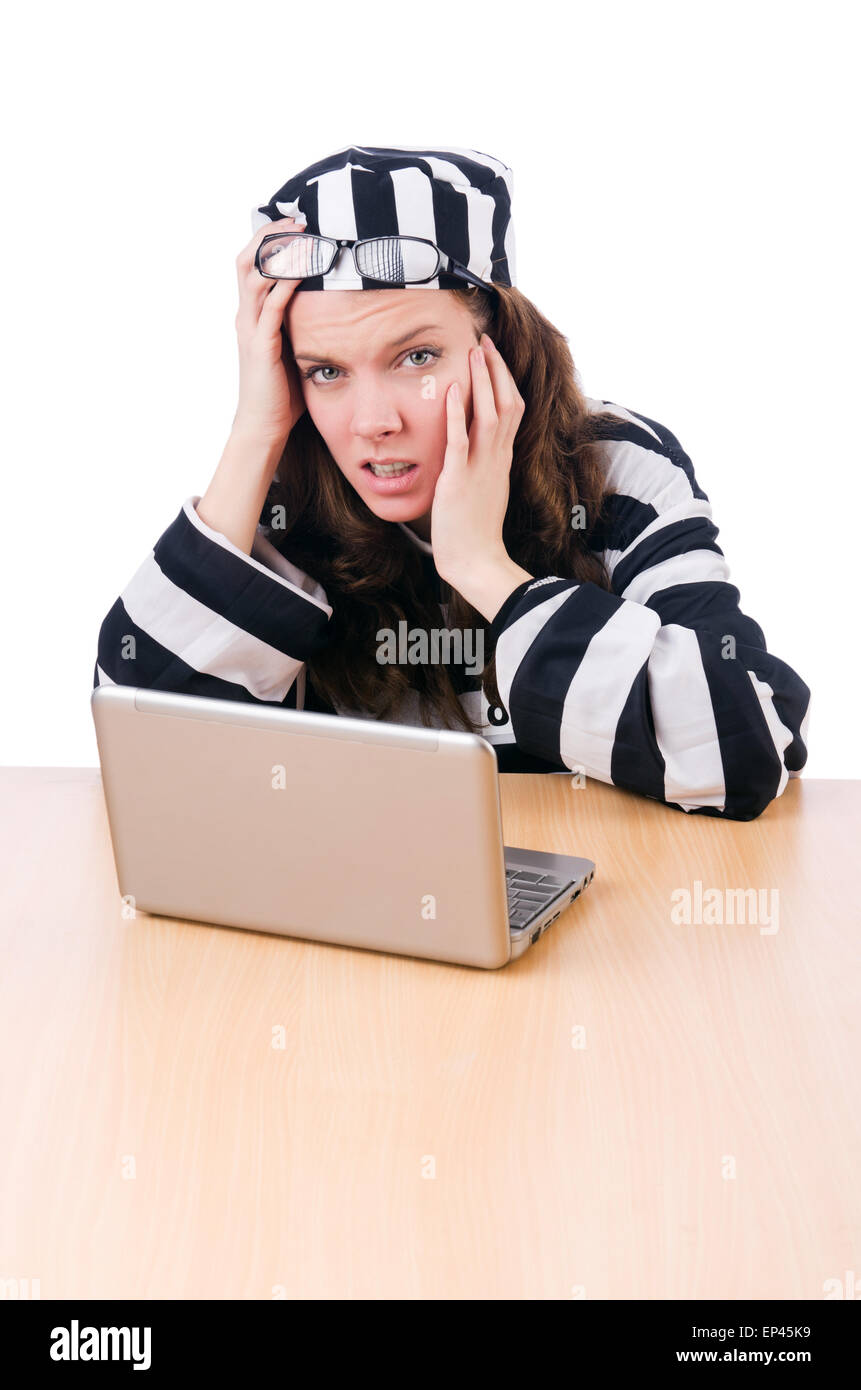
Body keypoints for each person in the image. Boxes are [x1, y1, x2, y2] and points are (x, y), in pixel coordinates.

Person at [93, 143, 811, 821]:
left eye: (415, 358)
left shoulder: (616, 467)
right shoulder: (280, 499)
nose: (373, 422)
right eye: (327, 371)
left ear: (495, 342)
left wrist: (481, 568)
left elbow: (747, 743)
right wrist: (254, 430)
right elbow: (147, 766)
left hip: (607, 910)